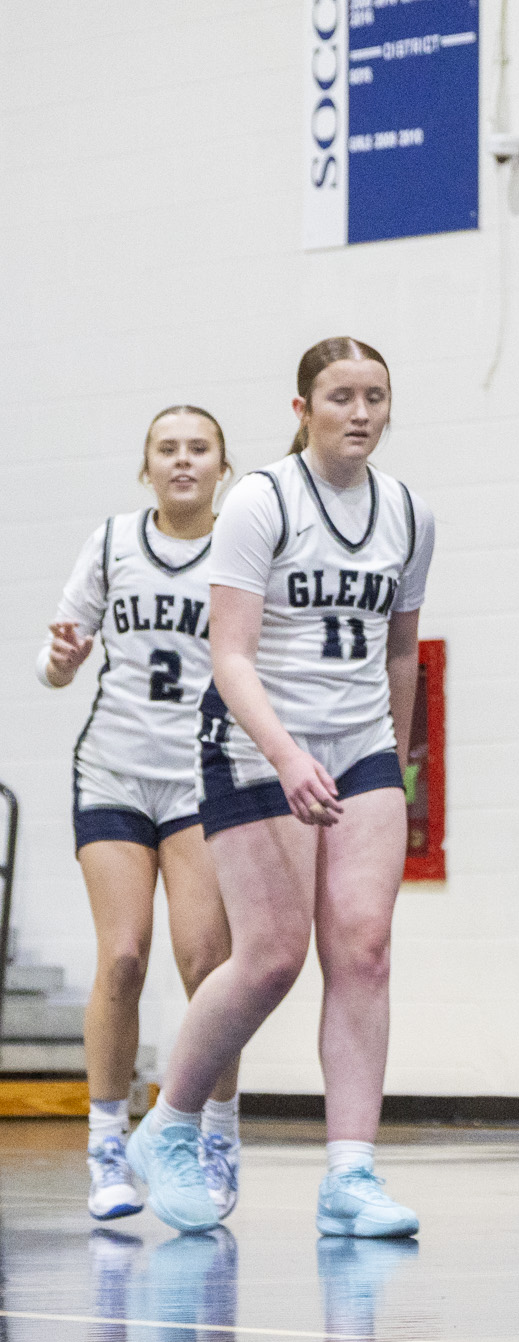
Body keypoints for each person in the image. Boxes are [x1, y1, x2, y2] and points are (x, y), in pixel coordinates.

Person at [124, 337, 436, 1239]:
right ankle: (170, 1124)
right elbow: (229, 656)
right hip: (256, 738)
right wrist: (290, 755)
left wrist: (396, 761)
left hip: (362, 740)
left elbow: (402, 650)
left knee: (365, 949)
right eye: (341, 396)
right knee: (270, 956)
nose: (362, 412)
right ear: (302, 410)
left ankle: (351, 1175)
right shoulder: (262, 501)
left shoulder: (408, 512)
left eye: (376, 395)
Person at [38, 407, 245, 1221]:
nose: (184, 460)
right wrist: (58, 660)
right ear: (146, 466)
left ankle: (213, 1132)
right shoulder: (113, 543)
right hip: (116, 772)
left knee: (208, 964)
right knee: (122, 957)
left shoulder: (240, 547)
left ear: (224, 466)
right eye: (169, 449)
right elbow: (55, 664)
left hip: (200, 778)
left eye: (200, 449)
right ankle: (106, 1145)